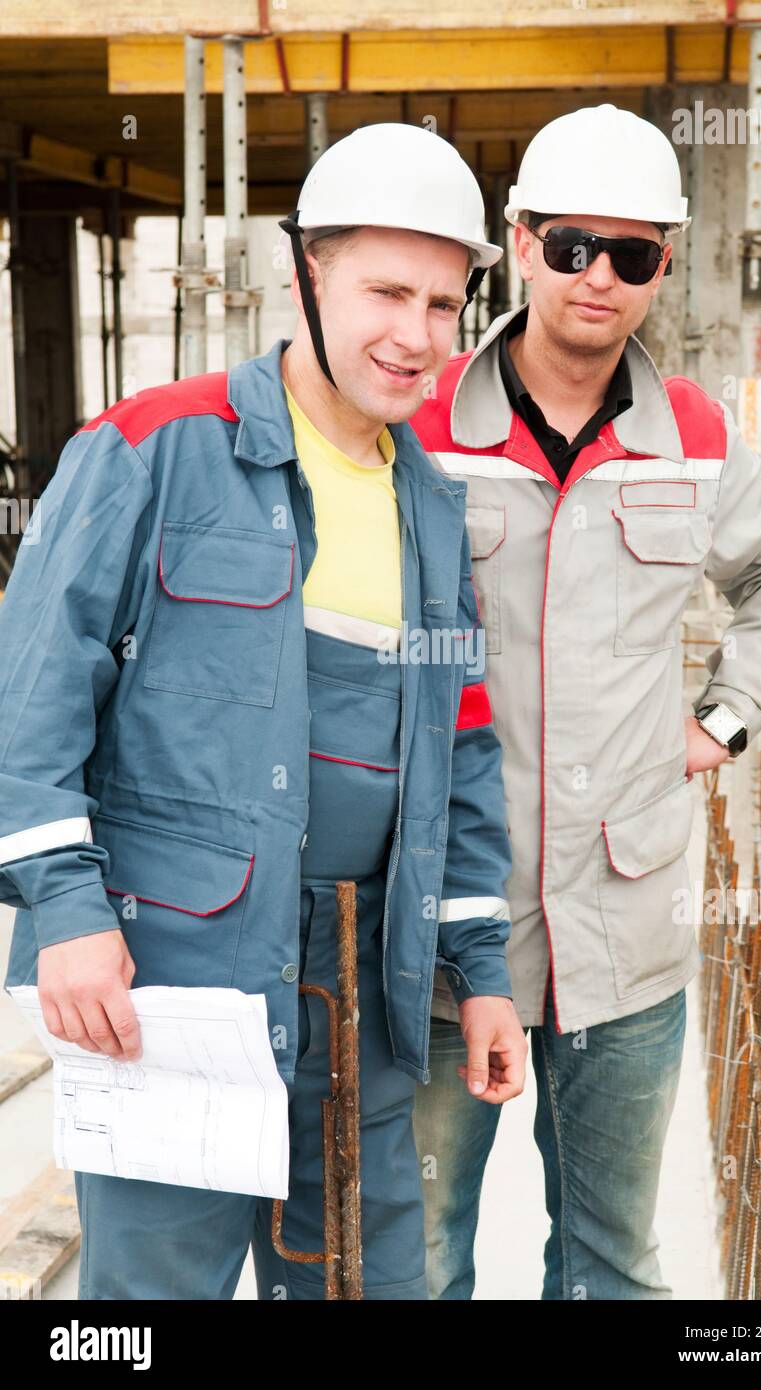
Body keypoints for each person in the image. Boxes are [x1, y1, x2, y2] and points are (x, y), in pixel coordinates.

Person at [0, 121, 526, 1301]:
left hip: (364, 999)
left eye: (445, 304)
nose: (417, 336)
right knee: (144, 1303)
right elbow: (28, 696)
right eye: (386, 291)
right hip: (167, 983)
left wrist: (481, 967)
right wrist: (69, 911)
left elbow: (463, 750)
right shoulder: (153, 447)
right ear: (304, 277)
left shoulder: (431, 509)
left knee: (359, 1283)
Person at [411, 103, 761, 1300]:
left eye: (633, 253)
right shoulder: (425, 424)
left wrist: (725, 717)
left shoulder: (694, 438)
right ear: (521, 237)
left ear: (659, 267)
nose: (598, 277)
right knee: (420, 1249)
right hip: (454, 918)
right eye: (571, 245)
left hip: (625, 924)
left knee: (611, 1261)